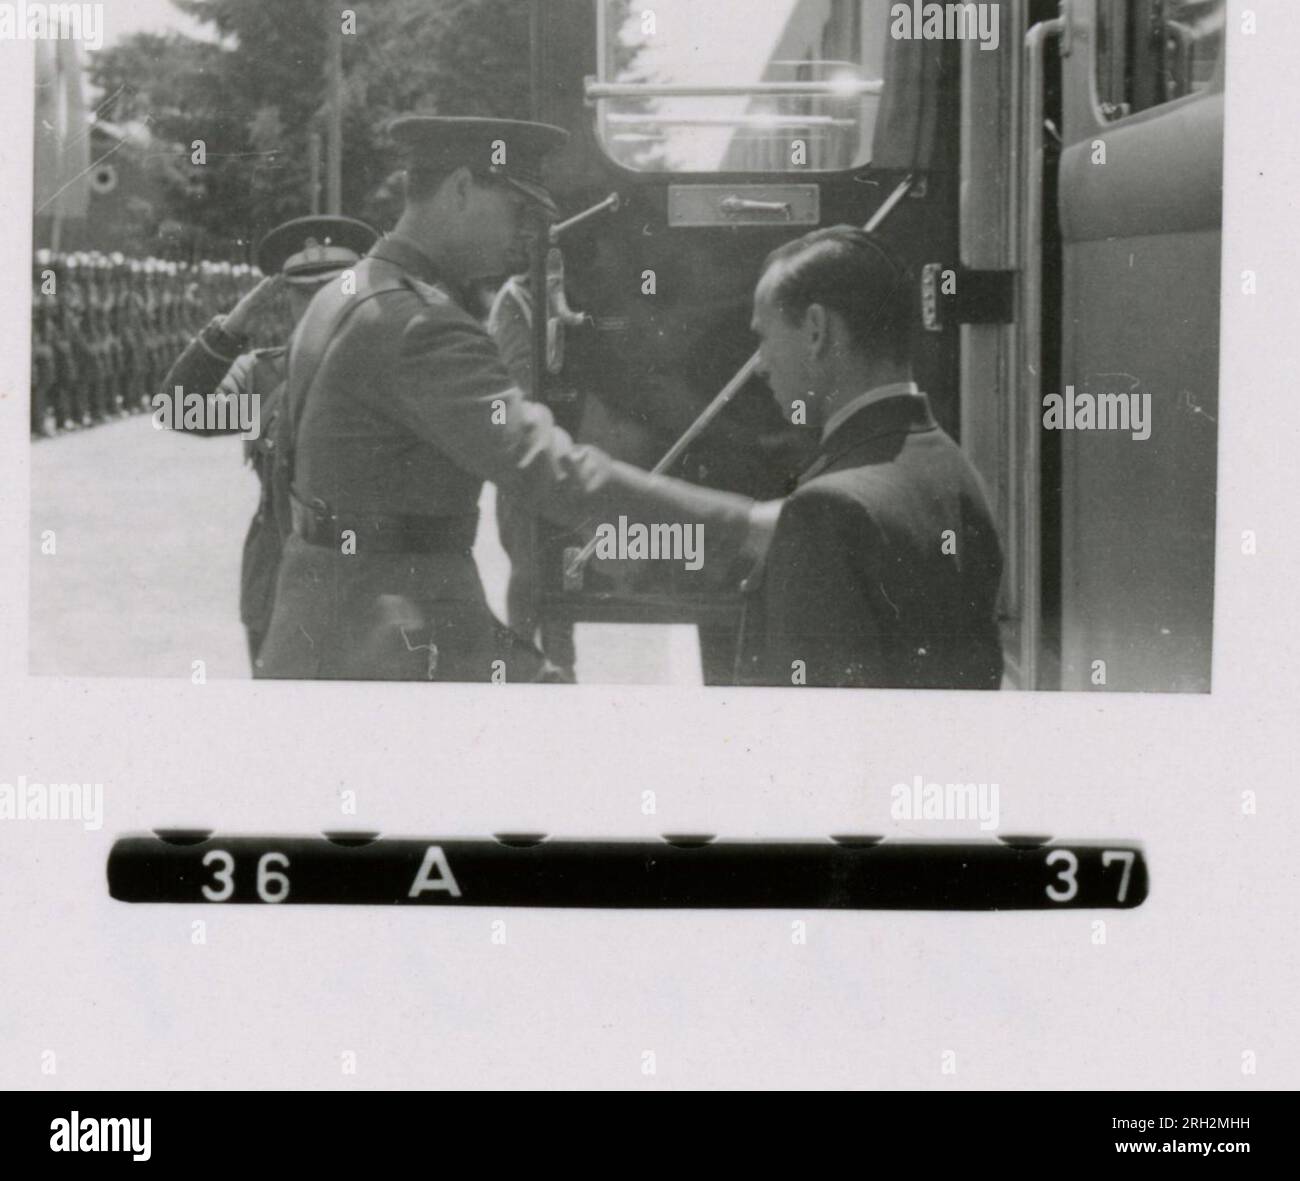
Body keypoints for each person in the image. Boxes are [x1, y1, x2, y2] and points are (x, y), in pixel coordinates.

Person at [258, 116, 764, 682]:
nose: (526, 236)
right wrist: (744, 525)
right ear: (461, 189)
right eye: (517, 211)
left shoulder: (340, 295)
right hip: (397, 643)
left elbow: (286, 485)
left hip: (320, 624)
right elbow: (550, 469)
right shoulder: (421, 325)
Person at [735, 226, 1004, 689]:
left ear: (816, 330)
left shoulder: (825, 510)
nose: (760, 363)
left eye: (765, 337)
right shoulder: (951, 465)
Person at [161, 216, 379, 669]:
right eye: (304, 292)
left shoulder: (385, 369)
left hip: (368, 583)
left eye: (336, 287)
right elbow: (179, 410)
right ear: (286, 298)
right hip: (277, 581)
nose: (320, 302)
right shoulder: (265, 376)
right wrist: (231, 327)